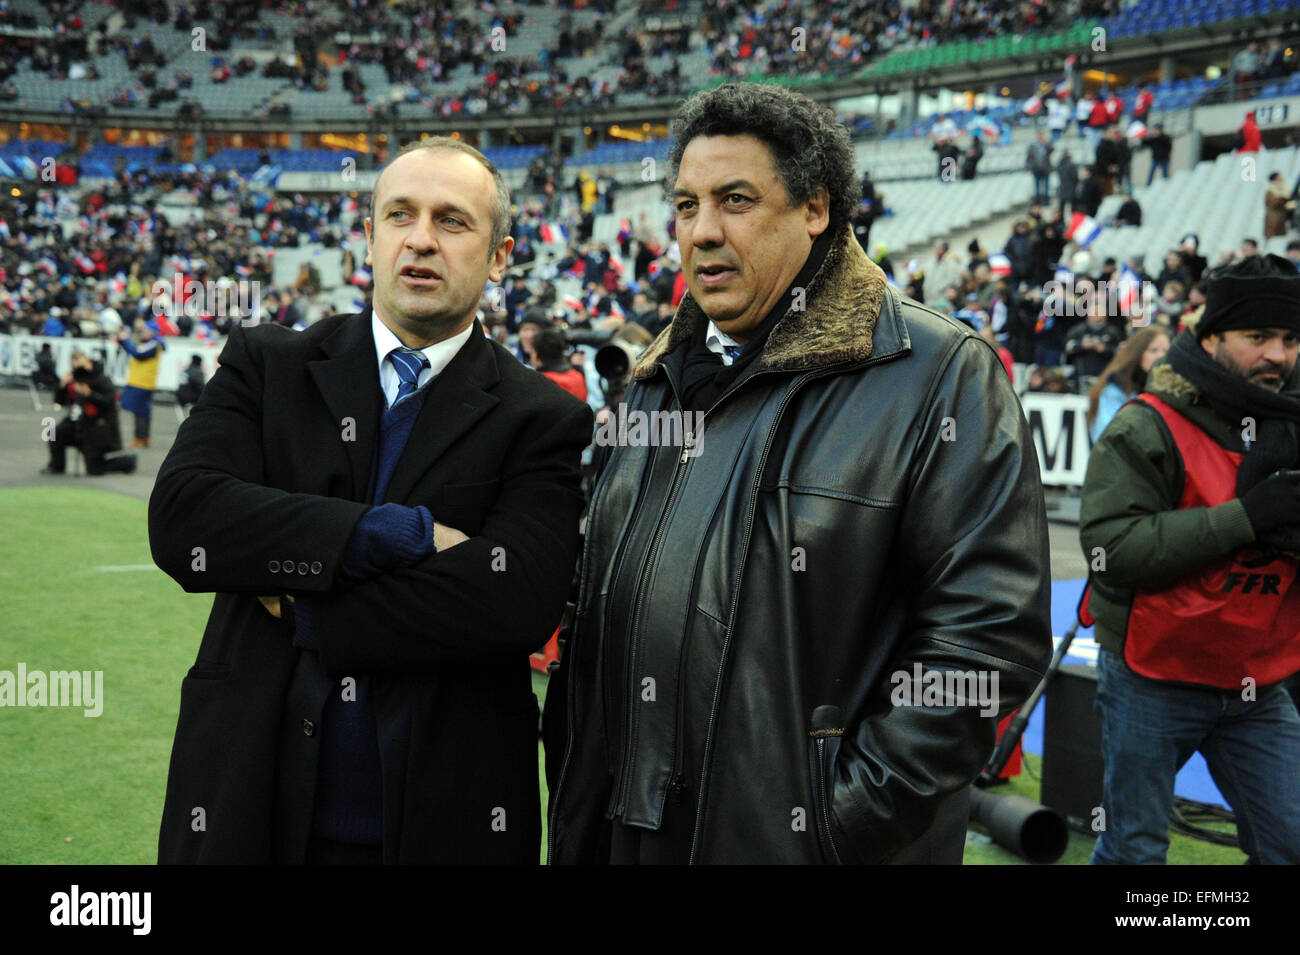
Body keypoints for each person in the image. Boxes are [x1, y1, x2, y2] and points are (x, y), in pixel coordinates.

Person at [545, 82, 1052, 865]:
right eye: (685, 206)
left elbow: (983, 648)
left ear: (815, 208)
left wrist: (830, 822)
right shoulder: (650, 381)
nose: (702, 232)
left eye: (735, 200)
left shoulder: (938, 374)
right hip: (628, 831)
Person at [149, 136, 594, 865]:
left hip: (442, 825)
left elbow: (518, 597)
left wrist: (304, 600)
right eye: (400, 215)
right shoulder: (267, 366)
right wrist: (397, 533)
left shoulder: (541, 417)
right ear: (369, 235)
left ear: (501, 254)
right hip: (243, 808)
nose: (421, 240)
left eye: (452, 221)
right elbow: (184, 518)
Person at [1080, 253, 1300, 864]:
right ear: (1210, 337)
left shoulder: (1292, 422)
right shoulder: (1148, 424)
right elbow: (1109, 550)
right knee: (1135, 851)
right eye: (1256, 337)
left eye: (1289, 338)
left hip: (1258, 680)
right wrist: (1246, 519)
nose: (1278, 356)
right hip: (1154, 675)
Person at [42, 349, 136, 476]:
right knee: (53, 432)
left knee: (94, 470)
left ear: (88, 364)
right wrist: (62, 386)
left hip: (97, 428)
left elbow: (109, 403)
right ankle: (56, 465)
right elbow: (59, 402)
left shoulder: (101, 380)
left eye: (82, 367)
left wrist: (89, 394)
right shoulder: (74, 380)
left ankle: (126, 462)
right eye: (75, 368)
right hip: (77, 424)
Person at [1085, 326, 1171, 442]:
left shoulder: (1171, 390)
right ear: (1138, 353)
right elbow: (1106, 437)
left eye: (1166, 351)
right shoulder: (1116, 388)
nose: (1160, 357)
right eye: (1153, 350)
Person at [118, 318, 164, 448]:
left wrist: (125, 340)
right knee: (142, 412)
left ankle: (139, 438)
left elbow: (137, 353)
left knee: (139, 412)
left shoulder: (154, 344)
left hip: (141, 382)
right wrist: (123, 340)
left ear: (153, 332)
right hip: (141, 382)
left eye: (146, 330)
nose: (143, 332)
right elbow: (134, 347)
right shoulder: (151, 343)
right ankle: (143, 438)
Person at [1027, 131, 1053, 203]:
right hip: (1036, 168)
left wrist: (1046, 143)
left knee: (1046, 186)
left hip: (1045, 168)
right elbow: (1029, 157)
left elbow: (1052, 149)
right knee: (1037, 186)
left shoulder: (1046, 144)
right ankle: (1038, 200)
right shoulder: (1033, 146)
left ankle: (1046, 201)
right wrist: (1029, 167)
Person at [1266, 171, 1294, 239]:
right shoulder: (1271, 191)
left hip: (1287, 218)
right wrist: (1284, 200)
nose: (1281, 179)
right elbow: (1273, 204)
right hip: (1276, 220)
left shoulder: (1285, 189)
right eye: (1279, 178)